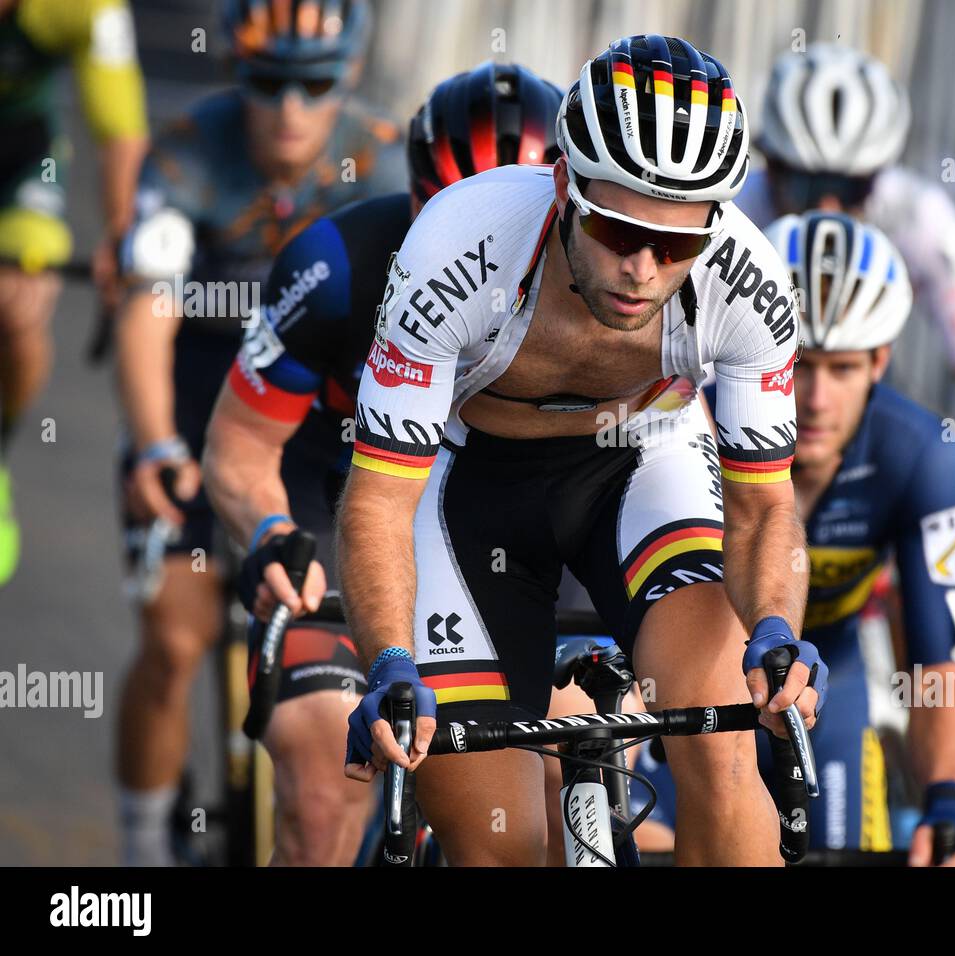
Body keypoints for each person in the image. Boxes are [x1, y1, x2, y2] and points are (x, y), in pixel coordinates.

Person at [335, 34, 826, 866]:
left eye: (676, 246)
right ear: (565, 184)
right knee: (508, 844)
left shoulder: (752, 284)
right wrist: (387, 657)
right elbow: (379, 497)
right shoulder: (459, 245)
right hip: (469, 487)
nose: (641, 267)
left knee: (722, 745)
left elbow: (764, 504)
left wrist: (776, 629)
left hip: (644, 463)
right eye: (616, 228)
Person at [202, 60, 565, 864]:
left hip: (512, 530)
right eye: (454, 215)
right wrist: (267, 531)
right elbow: (239, 447)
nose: (482, 251)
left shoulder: (610, 282)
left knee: (571, 776)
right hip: (336, 514)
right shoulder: (333, 268)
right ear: (413, 202)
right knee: (328, 782)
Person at [113, 0, 404, 866]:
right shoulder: (188, 150)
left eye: (312, 83)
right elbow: (147, 308)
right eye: (266, 81)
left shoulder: (381, 156)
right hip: (196, 398)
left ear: (348, 74)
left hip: (314, 424)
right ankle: (139, 852)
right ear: (236, 74)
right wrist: (158, 443)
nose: (288, 108)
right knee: (172, 641)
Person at [640, 212, 955, 866]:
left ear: (881, 361)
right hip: (689, 672)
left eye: (843, 369)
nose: (816, 398)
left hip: (831, 686)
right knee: (648, 839)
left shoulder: (922, 456)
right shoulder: (691, 414)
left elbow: (938, 665)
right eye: (798, 365)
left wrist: (949, 800)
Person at [739, 44, 955, 584]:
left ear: (881, 176)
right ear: (767, 163)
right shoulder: (733, 210)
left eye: (851, 188)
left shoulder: (920, 217)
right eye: (801, 183)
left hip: (857, 439)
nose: (828, 209)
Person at [0, 0, 148, 585]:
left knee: (16, 305)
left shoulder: (81, 7)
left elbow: (121, 130)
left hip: (19, 165)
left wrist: (122, 237)